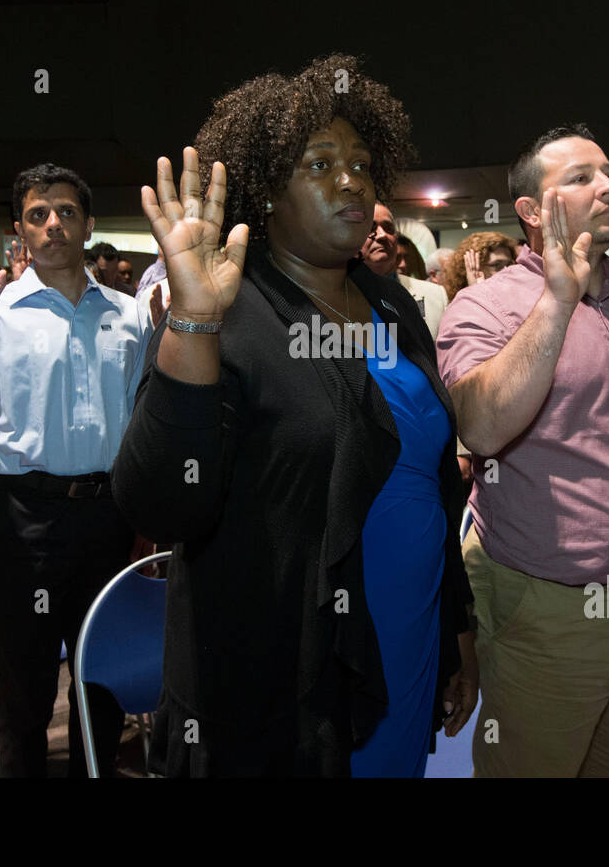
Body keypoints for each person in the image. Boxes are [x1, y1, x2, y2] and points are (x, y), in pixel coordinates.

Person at [112, 54, 476, 777]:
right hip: (285, 680)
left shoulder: (392, 306)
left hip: (405, 646)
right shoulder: (230, 312)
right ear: (267, 192)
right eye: (319, 163)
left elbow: (432, 481)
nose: (351, 181)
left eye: (363, 164)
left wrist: (456, 628)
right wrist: (190, 323)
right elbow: (163, 504)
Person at [438, 123, 609, 777]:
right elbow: (480, 428)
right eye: (581, 177)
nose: (608, 187)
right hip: (548, 609)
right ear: (532, 212)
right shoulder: (488, 307)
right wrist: (559, 302)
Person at [0, 163, 153, 777]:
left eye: (66, 212)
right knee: (24, 690)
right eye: (39, 214)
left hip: (109, 515)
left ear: (88, 225)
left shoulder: (131, 316)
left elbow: (154, 411)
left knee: (100, 683)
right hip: (24, 521)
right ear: (21, 230)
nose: (53, 225)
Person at [361, 203, 448, 338]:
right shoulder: (334, 297)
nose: (382, 235)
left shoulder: (435, 296)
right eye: (370, 228)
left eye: (389, 228)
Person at [440, 231, 518, 300]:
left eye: (509, 264)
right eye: (496, 265)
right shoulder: (459, 304)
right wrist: (477, 293)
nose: (506, 270)